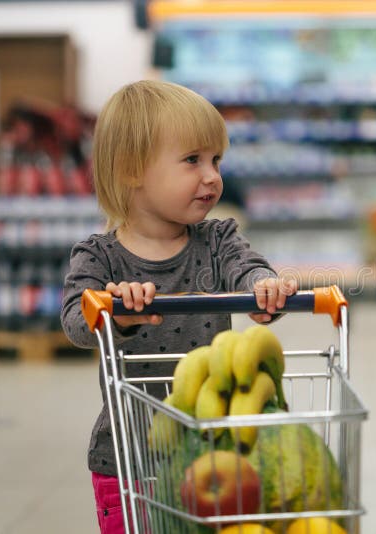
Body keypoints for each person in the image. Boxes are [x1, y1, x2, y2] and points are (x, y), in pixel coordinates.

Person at [60, 80, 297, 533]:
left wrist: (265, 287)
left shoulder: (217, 240)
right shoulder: (98, 257)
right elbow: (75, 320)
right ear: (132, 169)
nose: (212, 176)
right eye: (193, 160)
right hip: (127, 459)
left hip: (214, 452)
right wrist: (115, 313)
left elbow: (248, 268)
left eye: (216, 160)